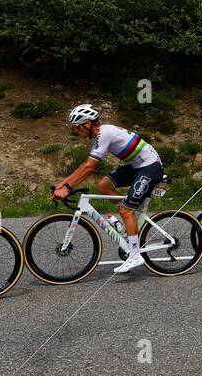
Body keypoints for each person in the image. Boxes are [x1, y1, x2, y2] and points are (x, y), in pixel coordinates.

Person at [52, 104, 164, 275]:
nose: (76, 131)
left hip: (150, 166)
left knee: (125, 210)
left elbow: (90, 167)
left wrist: (67, 188)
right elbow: (85, 165)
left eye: (77, 127)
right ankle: (130, 216)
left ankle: (135, 255)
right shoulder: (100, 136)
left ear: (88, 124)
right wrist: (63, 184)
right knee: (104, 185)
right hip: (138, 165)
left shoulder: (105, 133)